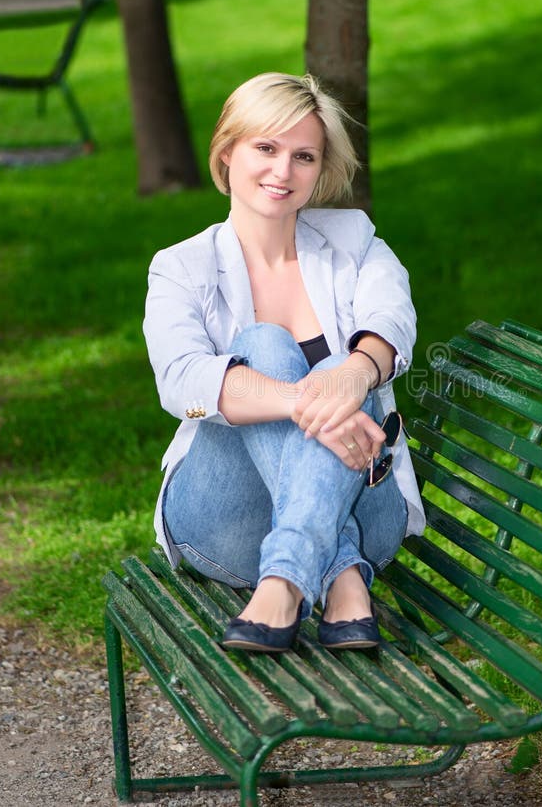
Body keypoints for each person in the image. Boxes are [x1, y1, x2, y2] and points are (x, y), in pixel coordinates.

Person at [143, 72, 424, 653]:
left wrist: (354, 372)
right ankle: (343, 579)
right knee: (268, 345)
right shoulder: (180, 267)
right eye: (265, 148)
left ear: (320, 171)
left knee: (338, 371)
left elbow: (392, 323)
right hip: (226, 519)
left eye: (303, 156)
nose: (282, 171)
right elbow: (180, 380)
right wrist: (305, 401)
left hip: (366, 509)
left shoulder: (356, 242)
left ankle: (286, 580)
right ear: (227, 152)